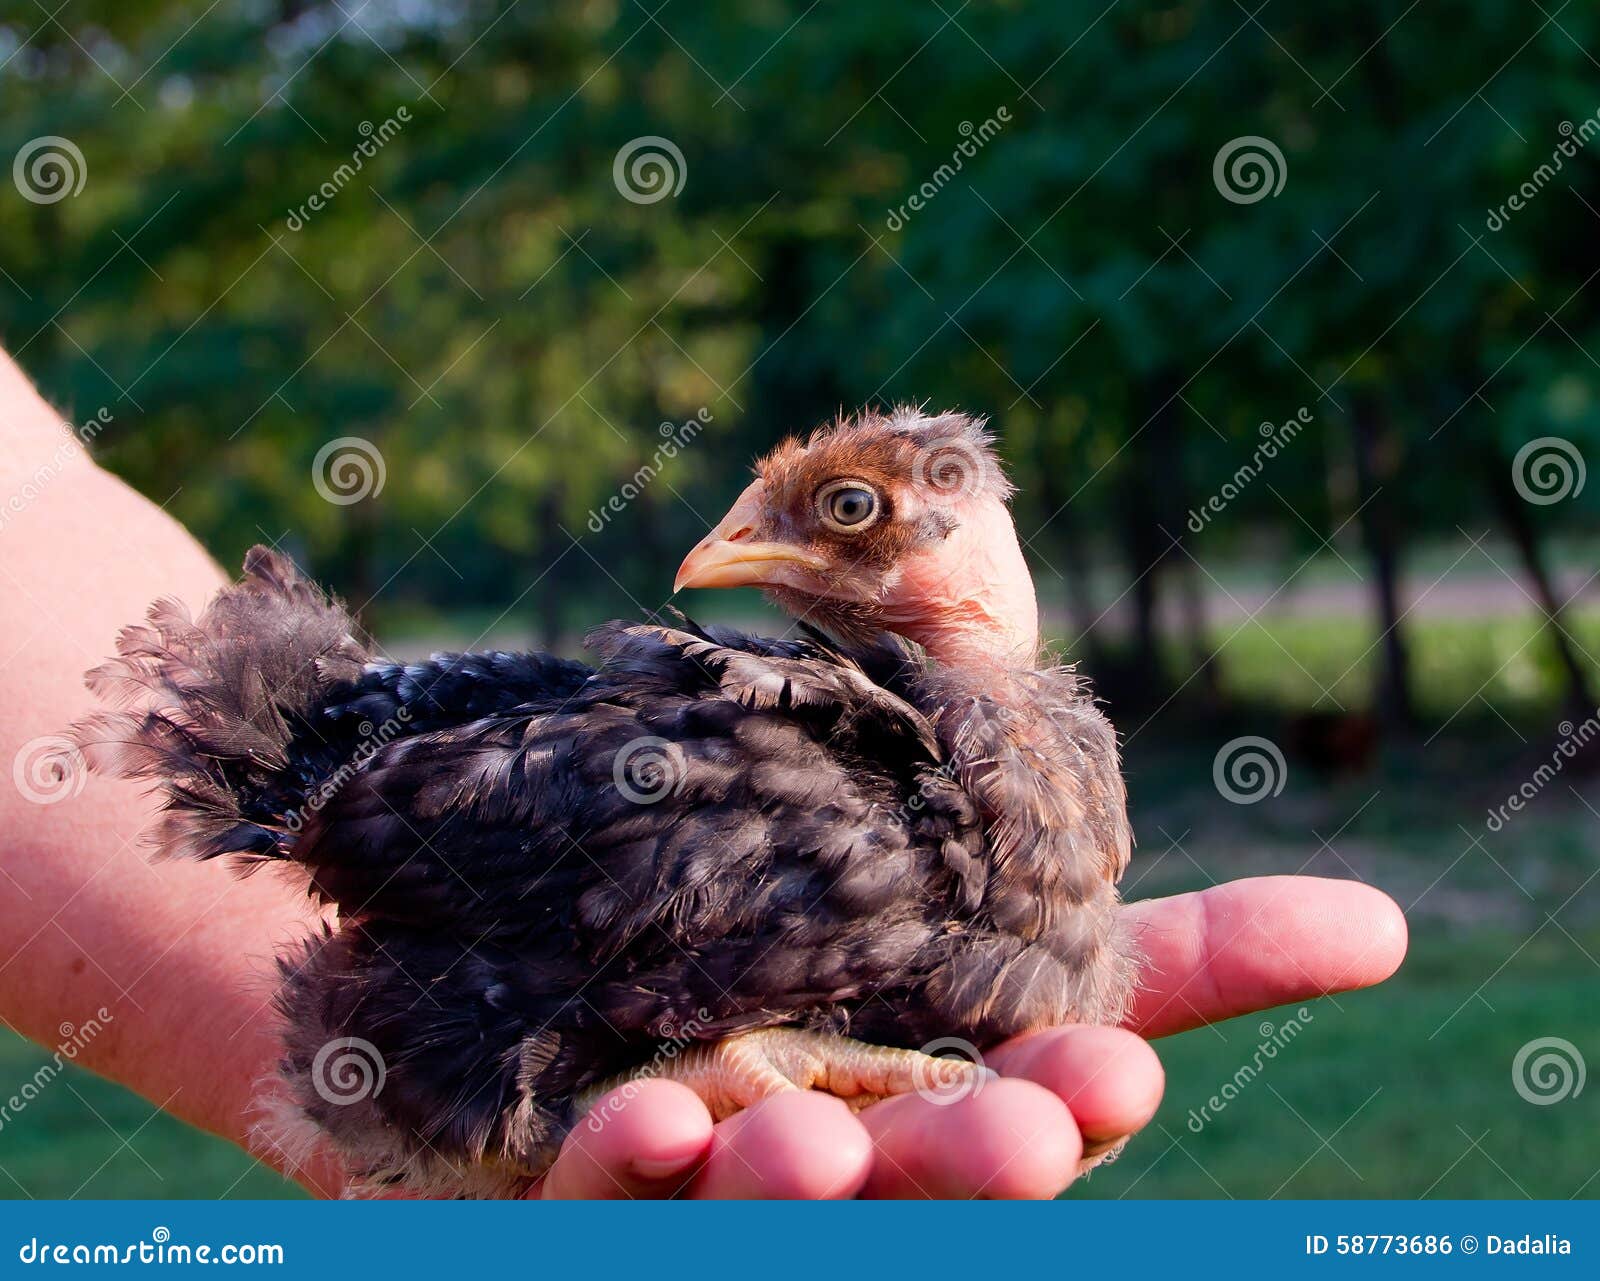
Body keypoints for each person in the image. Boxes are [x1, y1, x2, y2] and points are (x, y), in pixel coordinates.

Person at [0, 350, 1406, 1198]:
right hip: (432, 975)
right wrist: (739, 1054)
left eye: (848, 514)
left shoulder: (976, 781)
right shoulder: (830, 799)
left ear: (972, 533)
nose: (751, 543)